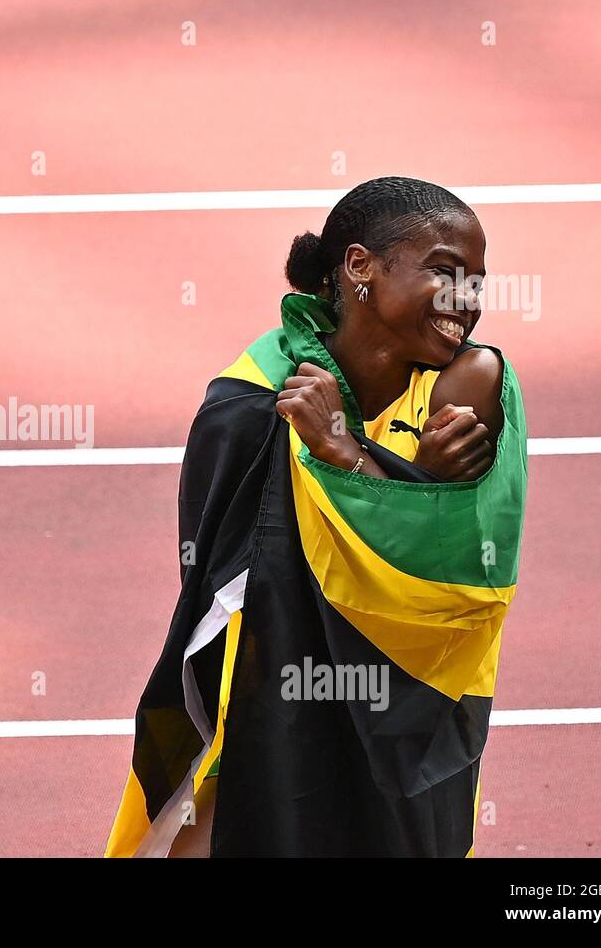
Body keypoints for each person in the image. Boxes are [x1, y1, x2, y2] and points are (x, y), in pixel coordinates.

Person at [105, 177, 528, 857]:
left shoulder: (470, 382)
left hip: (406, 704)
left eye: (477, 282)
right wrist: (402, 480)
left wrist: (345, 454)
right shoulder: (255, 390)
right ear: (360, 266)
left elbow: (454, 580)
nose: (467, 302)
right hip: (276, 685)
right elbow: (222, 565)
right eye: (447, 273)